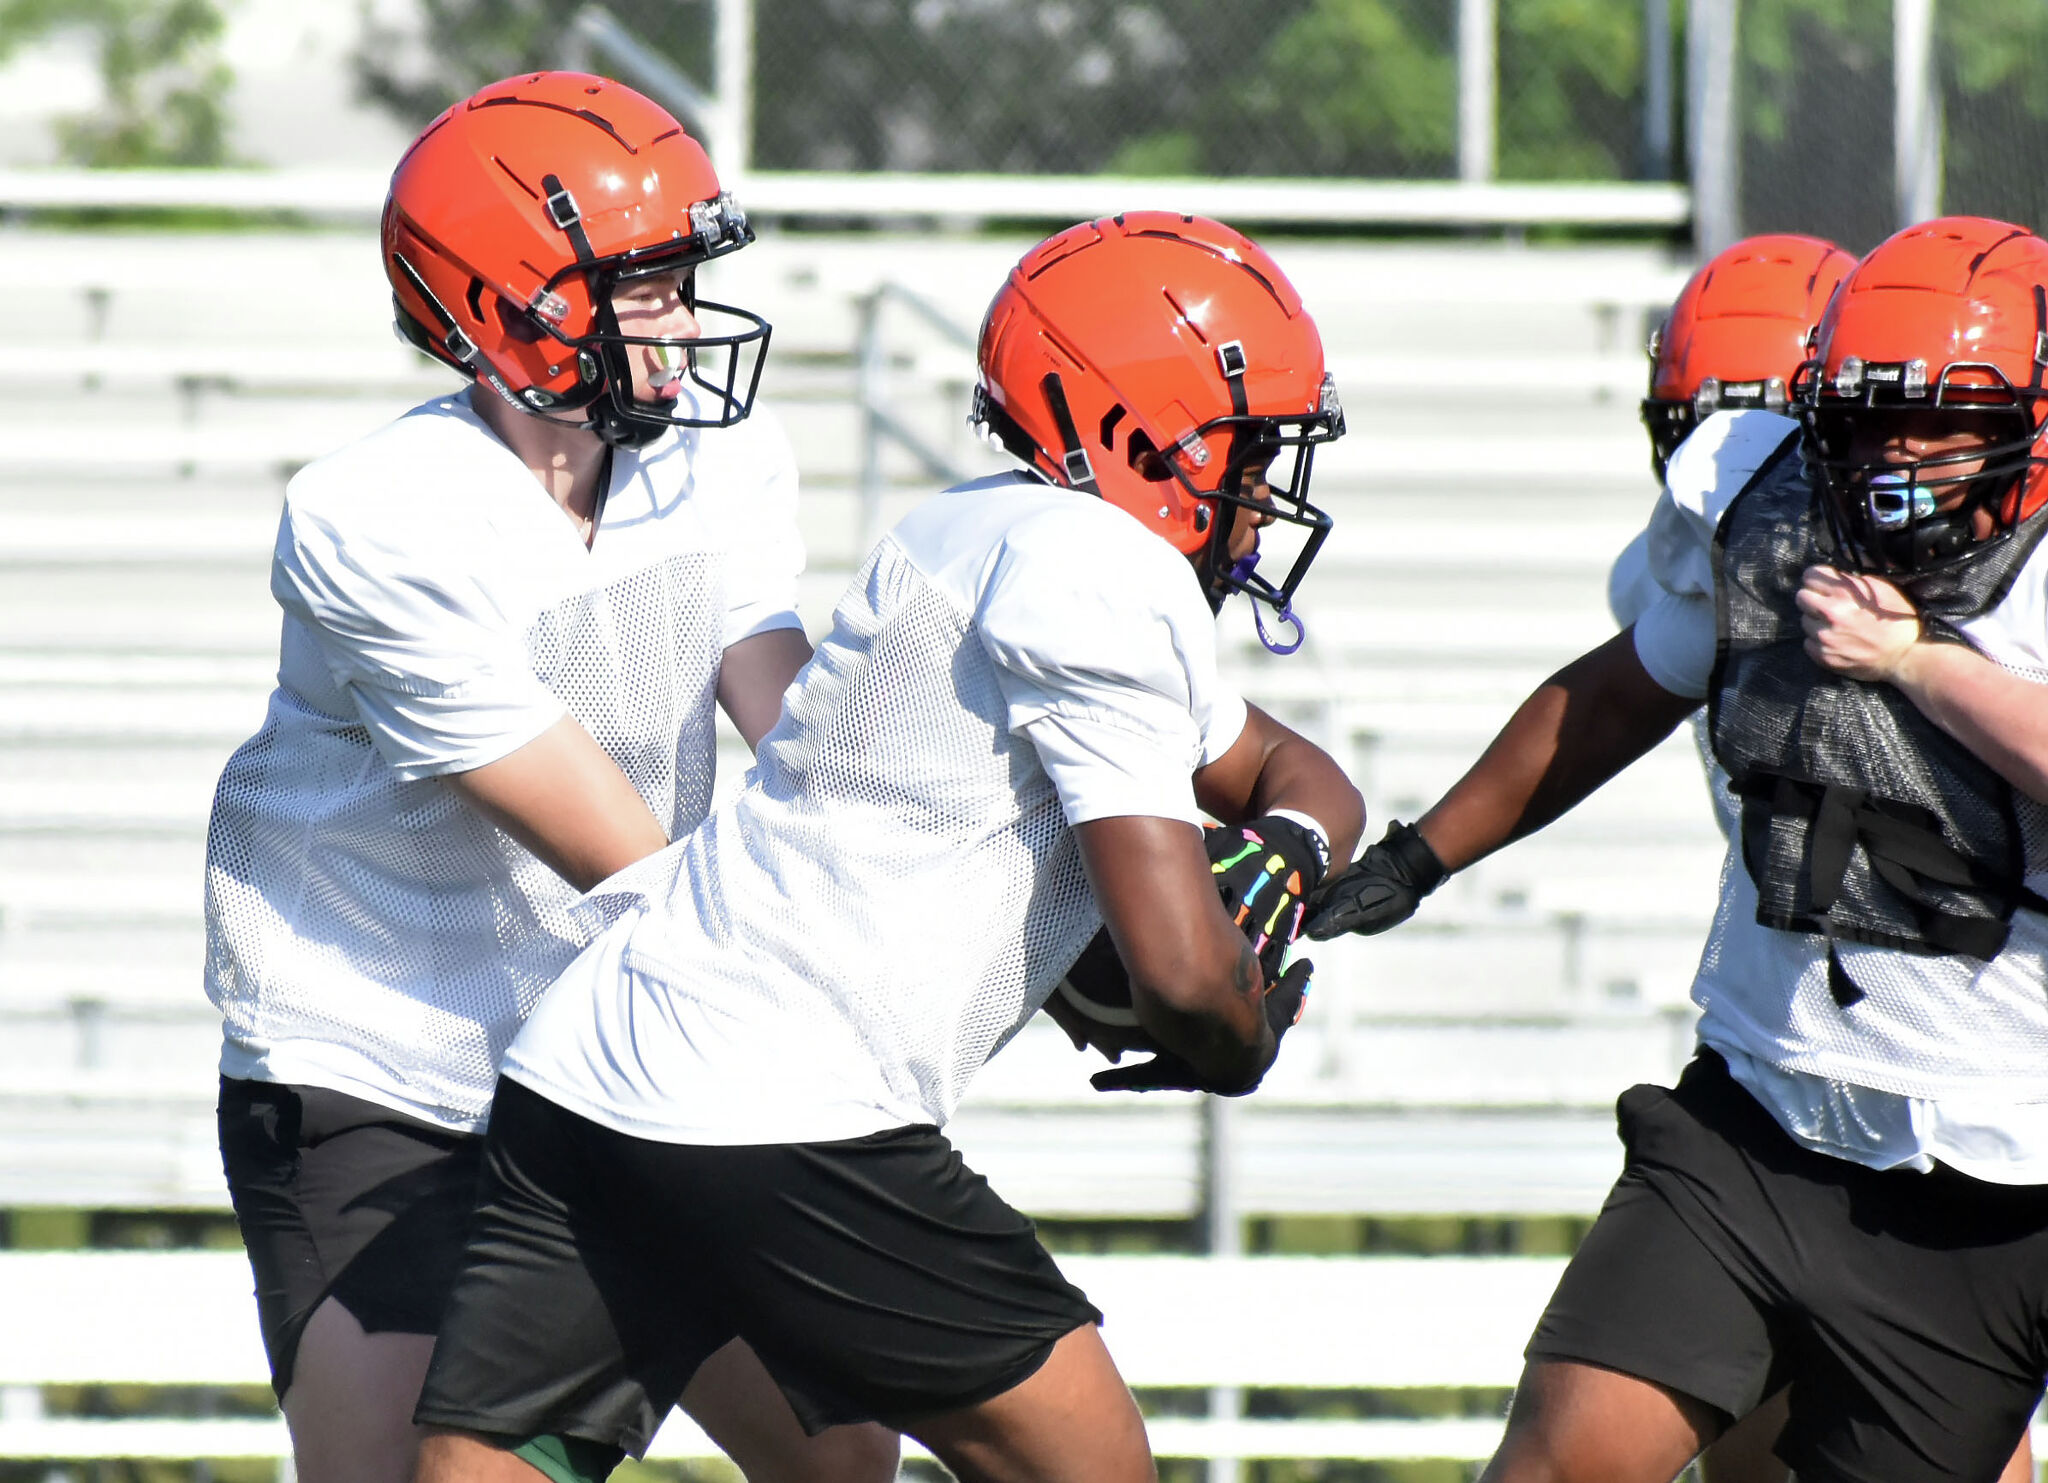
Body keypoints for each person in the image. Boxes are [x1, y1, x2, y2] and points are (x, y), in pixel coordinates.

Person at [405, 212, 1365, 1483]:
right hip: (786, 1110)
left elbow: (1301, 776)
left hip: (587, 1075)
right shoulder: (1102, 577)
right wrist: (1241, 1024)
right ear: (1140, 438)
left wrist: (1287, 851)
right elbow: (1189, 980)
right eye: (1246, 451)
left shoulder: (977, 526)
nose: (1262, 492)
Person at [202, 72, 897, 1483]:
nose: (685, 320)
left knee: (842, 1448)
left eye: (684, 280)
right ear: (498, 301)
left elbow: (787, 709)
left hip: (615, 1034)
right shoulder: (372, 516)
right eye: (641, 285)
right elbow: (615, 844)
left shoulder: (723, 449)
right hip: (389, 1071)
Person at [1307, 214, 2048, 1482]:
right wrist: (1420, 855)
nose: (1897, 453)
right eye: (1869, 415)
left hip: (1991, 1182)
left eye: (1943, 419)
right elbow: (1615, 693)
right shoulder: (1753, 483)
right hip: (1755, 1119)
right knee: (1549, 1465)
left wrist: (1917, 663)